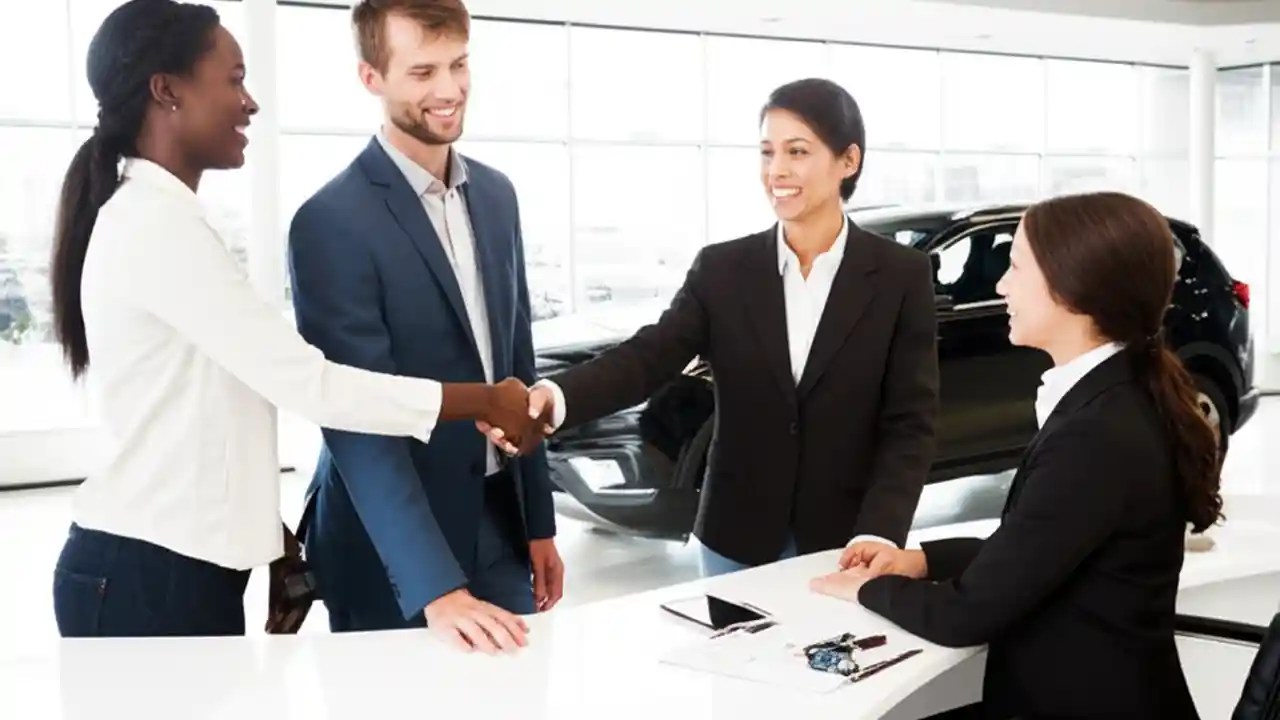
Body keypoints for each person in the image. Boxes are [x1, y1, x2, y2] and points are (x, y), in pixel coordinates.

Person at [48, 0, 537, 641]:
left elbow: (209, 413)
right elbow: (312, 384)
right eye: (233, 80)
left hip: (176, 568)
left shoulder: (164, 218)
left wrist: (271, 539)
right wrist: (485, 401)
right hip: (144, 575)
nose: (249, 103)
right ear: (166, 91)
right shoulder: (155, 225)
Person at [504, 78, 939, 577]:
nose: (777, 171)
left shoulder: (901, 276)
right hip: (737, 535)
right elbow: (650, 358)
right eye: (767, 152)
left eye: (797, 151)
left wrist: (880, 530)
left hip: (848, 541)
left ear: (848, 161)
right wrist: (556, 397)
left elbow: (911, 423)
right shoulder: (723, 269)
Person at [811, 192, 1218, 719]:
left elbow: (967, 615)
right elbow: (1032, 549)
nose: (1001, 285)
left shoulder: (1098, 433)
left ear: (1075, 285)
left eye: (1016, 267)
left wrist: (869, 590)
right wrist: (921, 561)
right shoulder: (1118, 396)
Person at [286, 0, 562, 649]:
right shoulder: (330, 222)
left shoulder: (496, 196)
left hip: (498, 519)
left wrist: (539, 522)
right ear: (370, 78)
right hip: (391, 550)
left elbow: (516, 364)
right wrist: (435, 586)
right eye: (422, 72)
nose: (449, 89)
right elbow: (356, 420)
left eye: (458, 64)